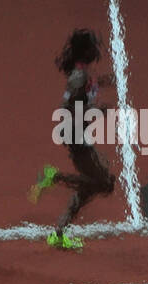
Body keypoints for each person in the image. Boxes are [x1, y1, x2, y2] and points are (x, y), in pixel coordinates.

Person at [29, 28, 115, 250]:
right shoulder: (78, 76)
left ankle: (59, 233)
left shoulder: (81, 73)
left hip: (77, 133)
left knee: (89, 187)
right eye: (93, 46)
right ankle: (54, 176)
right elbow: (68, 107)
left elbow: (84, 90)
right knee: (104, 183)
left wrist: (102, 82)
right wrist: (97, 111)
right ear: (85, 51)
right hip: (75, 135)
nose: (97, 50)